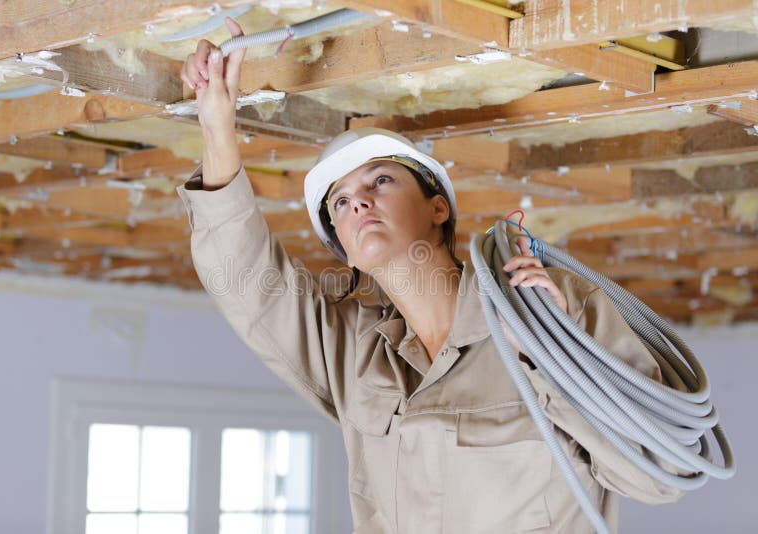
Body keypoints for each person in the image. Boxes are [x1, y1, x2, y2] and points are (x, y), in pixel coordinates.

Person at [178, 18, 686, 534]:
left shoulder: (549, 310)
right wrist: (217, 128)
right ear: (346, 252)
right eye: (341, 201)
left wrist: (545, 358)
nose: (358, 201)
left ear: (438, 207)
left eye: (380, 179)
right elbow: (245, 280)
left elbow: (662, 474)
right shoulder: (354, 352)